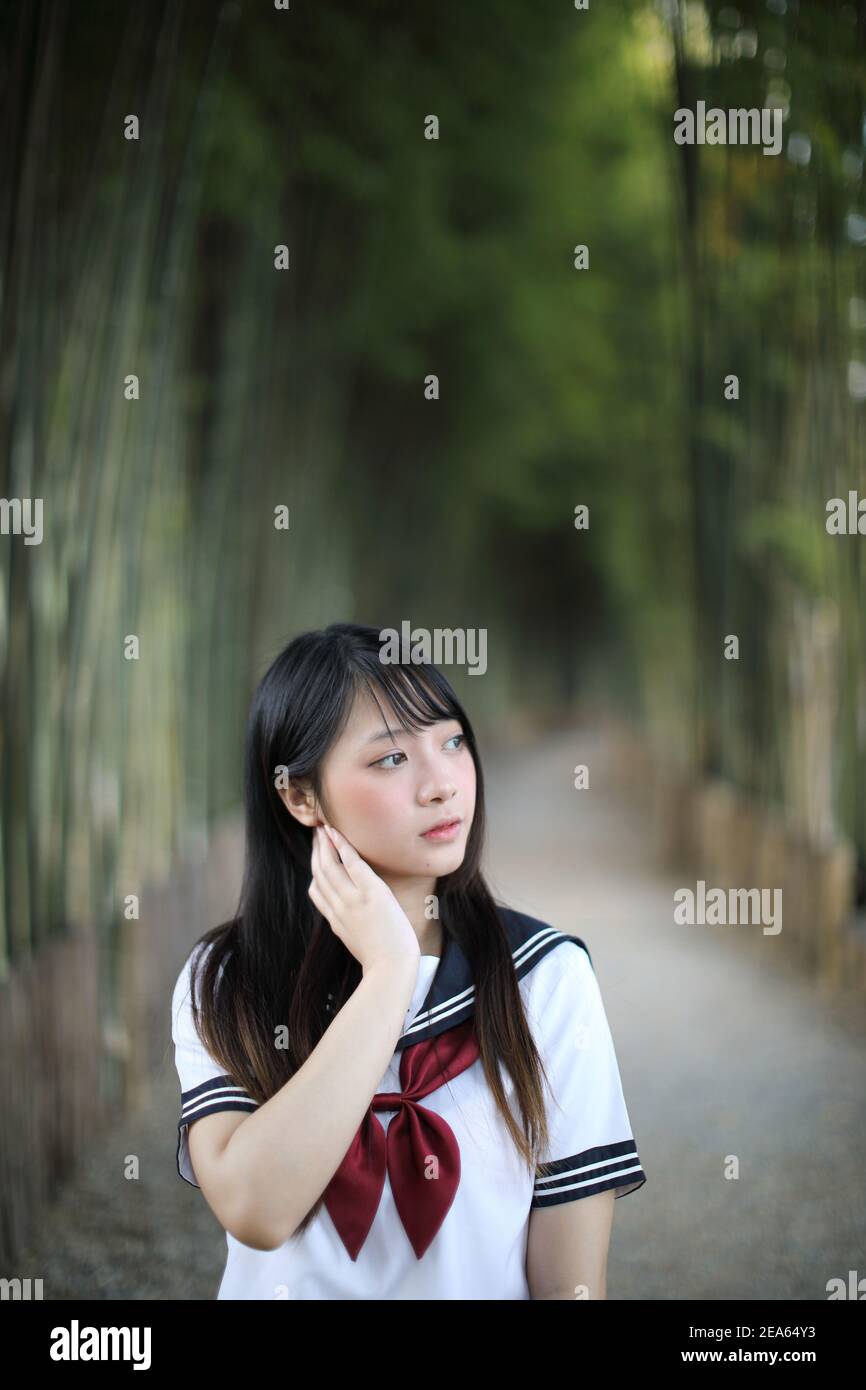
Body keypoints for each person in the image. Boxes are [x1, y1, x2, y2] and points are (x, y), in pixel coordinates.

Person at [171, 621, 646, 1299]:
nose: (441, 784)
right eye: (391, 759)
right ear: (300, 795)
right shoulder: (228, 979)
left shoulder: (544, 978)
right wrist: (389, 972)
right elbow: (255, 1208)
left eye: (452, 742)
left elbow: (572, 1286)